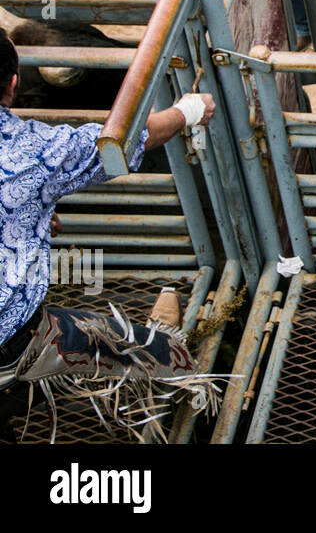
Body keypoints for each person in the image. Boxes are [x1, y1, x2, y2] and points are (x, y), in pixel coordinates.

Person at [0, 28, 219, 440]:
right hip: (7, 341)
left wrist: (25, 213)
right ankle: (187, 405)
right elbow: (118, 143)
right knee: (154, 352)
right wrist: (188, 111)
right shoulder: (29, 151)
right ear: (13, 84)